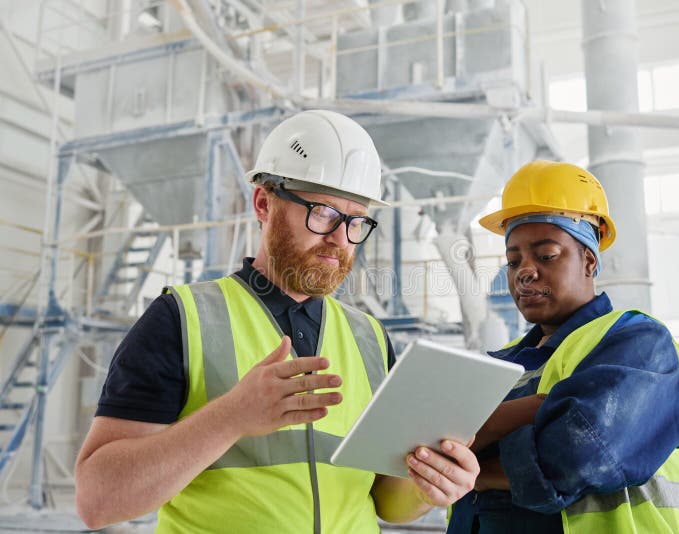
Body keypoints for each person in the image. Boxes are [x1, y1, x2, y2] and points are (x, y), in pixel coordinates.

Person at [74, 110, 479, 534]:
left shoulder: (370, 338)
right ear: (264, 203)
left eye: (356, 221)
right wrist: (229, 418)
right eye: (323, 213)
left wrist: (429, 485)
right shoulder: (182, 319)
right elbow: (97, 500)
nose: (340, 239)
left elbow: (384, 501)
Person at [447, 160, 679, 533]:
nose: (524, 270)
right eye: (513, 260)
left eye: (546, 255)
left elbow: (581, 453)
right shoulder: (498, 365)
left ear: (588, 260)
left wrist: (469, 461)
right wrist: (537, 411)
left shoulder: (640, 343)